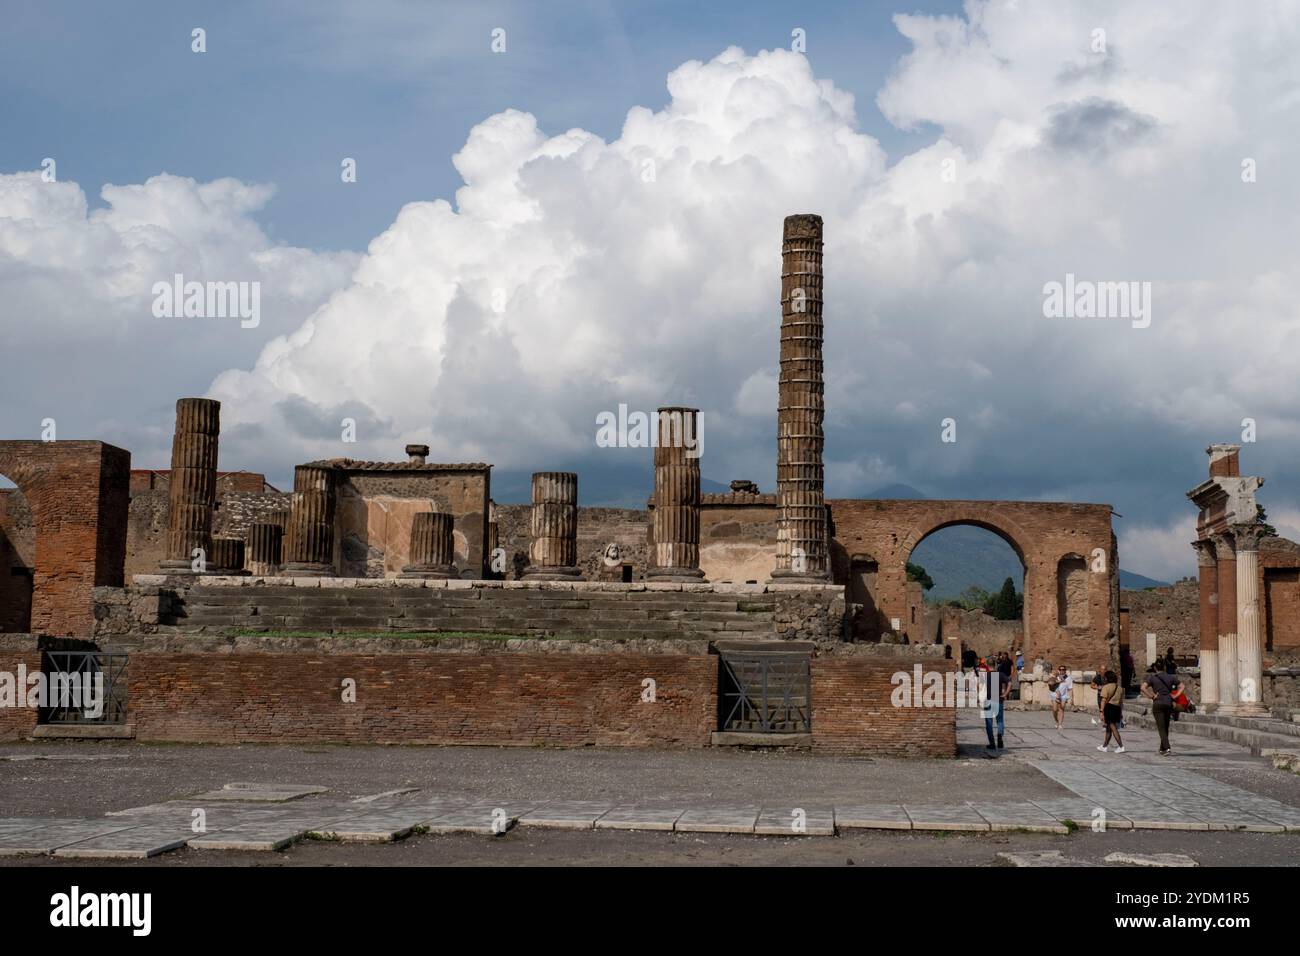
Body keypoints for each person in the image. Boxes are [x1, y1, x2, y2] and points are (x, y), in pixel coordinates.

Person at [1141, 664, 1184, 756]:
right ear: (1164, 668)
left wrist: (1151, 696)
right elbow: (1182, 686)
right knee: (1165, 726)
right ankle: (1162, 748)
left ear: (1155, 668)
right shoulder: (1171, 677)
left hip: (1158, 703)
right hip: (1168, 703)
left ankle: (1167, 747)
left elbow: (1142, 688)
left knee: (1161, 727)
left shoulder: (1152, 678)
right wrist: (1175, 695)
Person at [1096, 670, 1125, 753]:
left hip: (1109, 708)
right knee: (1109, 728)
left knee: (1113, 727)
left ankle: (1121, 746)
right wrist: (1121, 713)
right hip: (1117, 708)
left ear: (1107, 678)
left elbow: (1103, 700)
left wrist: (1101, 712)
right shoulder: (1119, 688)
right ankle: (1104, 746)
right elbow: (1121, 702)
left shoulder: (1106, 687)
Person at [1049, 664, 1073, 731]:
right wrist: (1057, 681)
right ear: (1059, 670)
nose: (1062, 671)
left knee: (1061, 709)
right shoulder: (1055, 677)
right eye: (1061, 670)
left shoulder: (1068, 678)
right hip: (1054, 694)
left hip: (1064, 695)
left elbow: (1070, 688)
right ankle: (1057, 721)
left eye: (1063, 670)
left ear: (1065, 671)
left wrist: (1071, 698)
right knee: (1054, 709)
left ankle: (1060, 724)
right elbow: (1050, 684)